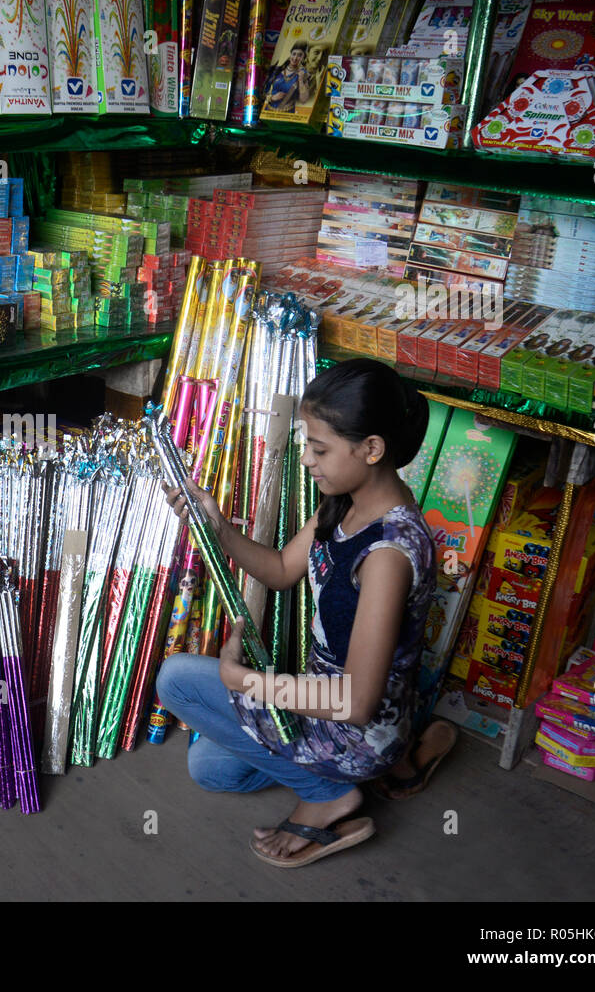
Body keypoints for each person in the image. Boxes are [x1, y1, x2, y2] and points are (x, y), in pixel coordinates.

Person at [157, 358, 449, 868]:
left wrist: (246, 682)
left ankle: (333, 795)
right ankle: (402, 762)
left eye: (320, 449)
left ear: (372, 448)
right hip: (326, 705)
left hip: (354, 728)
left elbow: (356, 702)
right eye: (306, 446)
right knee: (210, 768)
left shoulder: (387, 555)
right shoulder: (344, 502)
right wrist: (217, 526)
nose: (309, 461)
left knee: (177, 678)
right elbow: (277, 570)